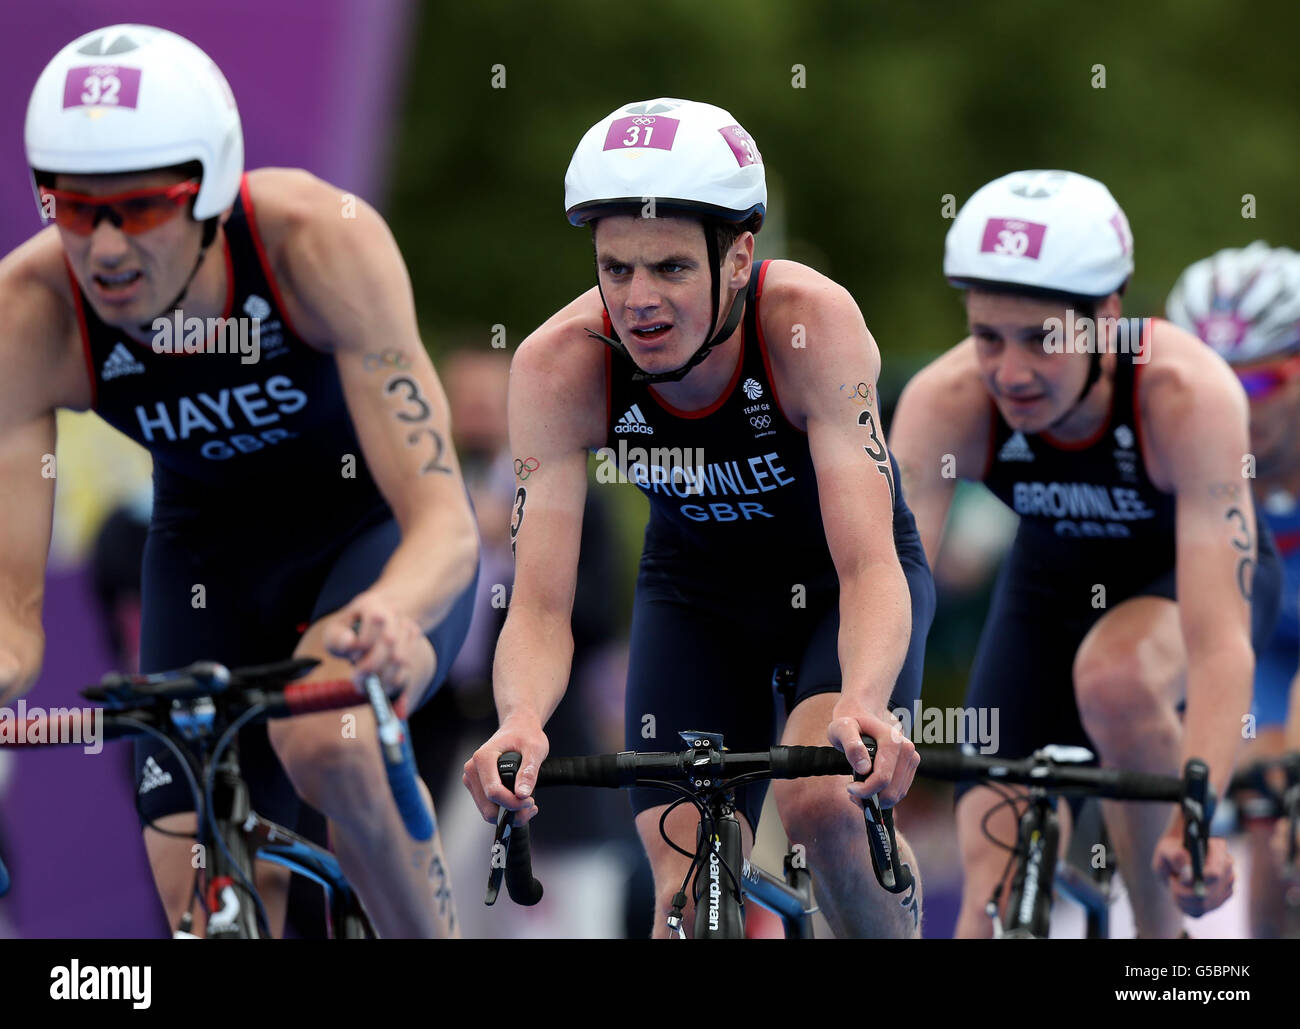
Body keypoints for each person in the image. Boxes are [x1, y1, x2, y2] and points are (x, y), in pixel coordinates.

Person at [0, 24, 479, 938]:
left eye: (139, 208)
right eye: (68, 206)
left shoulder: (314, 242)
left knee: (326, 743)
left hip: (369, 540)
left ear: (212, 186)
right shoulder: (28, 313)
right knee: (195, 880)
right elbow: (11, 615)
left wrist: (386, 610)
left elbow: (445, 525)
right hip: (207, 560)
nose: (101, 248)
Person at [462, 98, 935, 938]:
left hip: (836, 584)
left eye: (671, 268)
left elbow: (868, 566)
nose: (638, 301)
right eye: (616, 269)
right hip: (698, 596)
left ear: (741, 255)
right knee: (683, 895)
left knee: (822, 798)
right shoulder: (559, 365)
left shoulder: (806, 323)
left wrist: (865, 700)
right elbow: (538, 605)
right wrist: (521, 720)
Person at [890, 169, 1283, 938]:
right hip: (1047, 592)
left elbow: (1218, 642)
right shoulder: (947, 402)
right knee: (985, 903)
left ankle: (1162, 944)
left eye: (1041, 339)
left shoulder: (1183, 392)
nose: (1009, 372)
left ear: (1107, 316)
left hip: (1184, 587)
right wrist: (868, 712)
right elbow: (888, 587)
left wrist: (1195, 821)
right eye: (987, 337)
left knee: (1115, 676)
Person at [1166, 242, 1300, 935]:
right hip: (1258, 653)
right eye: (1208, 381)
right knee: (1271, 809)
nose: (1229, 407)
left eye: (1252, 386)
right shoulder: (1180, 452)